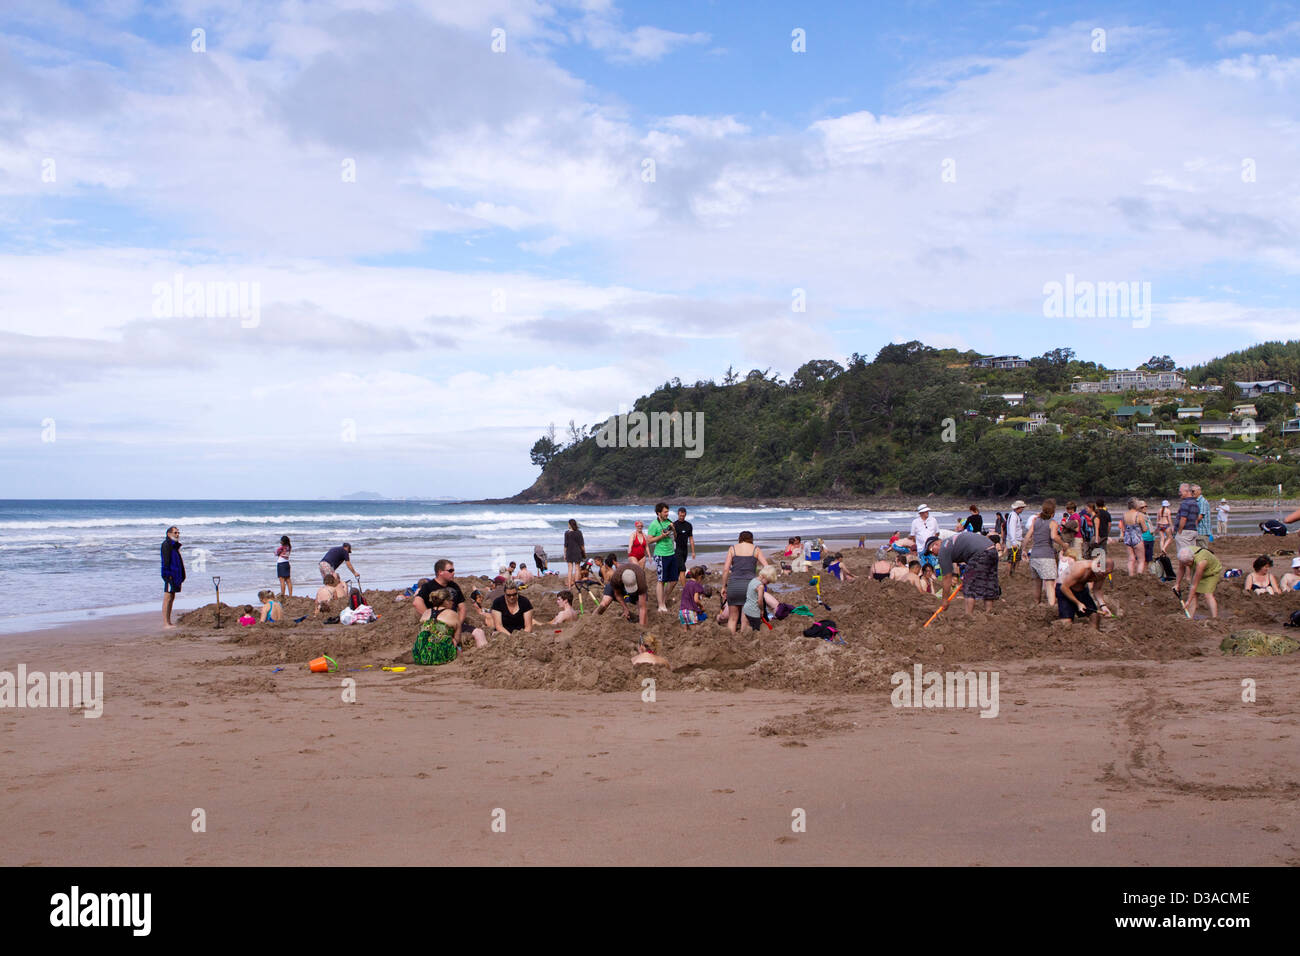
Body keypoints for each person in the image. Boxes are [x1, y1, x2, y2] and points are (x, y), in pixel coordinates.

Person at [414, 559, 487, 648]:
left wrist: (457, 624)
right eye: (450, 570)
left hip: (453, 623)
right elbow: (417, 602)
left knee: (479, 632)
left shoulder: (454, 586)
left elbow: (462, 608)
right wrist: (431, 619)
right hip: (436, 625)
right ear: (440, 572)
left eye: (453, 570)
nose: (453, 573)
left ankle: (482, 655)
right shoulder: (428, 586)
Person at [926, 530, 1000, 614]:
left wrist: (945, 600)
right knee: (988, 583)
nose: (932, 554)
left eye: (931, 550)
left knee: (968, 587)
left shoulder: (943, 549)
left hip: (979, 553)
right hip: (992, 550)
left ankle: (968, 616)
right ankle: (989, 612)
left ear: (937, 543)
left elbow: (947, 577)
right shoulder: (950, 541)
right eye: (930, 553)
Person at [721, 531, 768, 633]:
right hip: (750, 586)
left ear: (740, 538)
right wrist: (761, 580)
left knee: (732, 618)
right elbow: (767, 567)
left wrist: (723, 586)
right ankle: (744, 642)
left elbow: (725, 570)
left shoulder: (732, 548)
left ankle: (730, 640)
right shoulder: (756, 549)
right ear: (751, 539)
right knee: (745, 620)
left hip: (734, 585)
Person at [1056, 556, 1112, 629]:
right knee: (1066, 623)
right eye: (1104, 573)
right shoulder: (1081, 568)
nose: (1105, 576)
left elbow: (1097, 589)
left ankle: (1094, 635)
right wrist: (1078, 603)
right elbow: (1064, 587)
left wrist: (1103, 606)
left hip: (1081, 590)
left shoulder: (1101, 573)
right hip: (1064, 589)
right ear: (1099, 566)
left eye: (1108, 573)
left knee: (1095, 616)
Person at [1024, 499, 1063, 608]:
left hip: (1034, 555)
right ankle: (1051, 606)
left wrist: (1023, 550)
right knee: (1050, 583)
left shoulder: (1035, 521)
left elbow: (1027, 536)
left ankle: (1036, 604)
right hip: (1046, 556)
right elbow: (1054, 537)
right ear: (1053, 512)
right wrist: (1063, 544)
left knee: (1037, 583)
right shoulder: (1052, 523)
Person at [647, 502, 680, 612]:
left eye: (668, 511)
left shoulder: (669, 522)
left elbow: (675, 537)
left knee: (674, 580)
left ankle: (663, 600)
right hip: (661, 554)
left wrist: (673, 529)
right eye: (665, 512)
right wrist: (661, 536)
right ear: (658, 513)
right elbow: (649, 540)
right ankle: (661, 605)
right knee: (661, 580)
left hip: (671, 553)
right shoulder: (654, 525)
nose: (667, 513)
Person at [413, 588, 460, 665]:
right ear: (446, 602)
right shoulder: (452, 614)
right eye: (452, 600)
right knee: (454, 642)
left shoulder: (426, 612)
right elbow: (457, 639)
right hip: (440, 656)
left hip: (419, 656)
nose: (453, 603)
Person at [596, 557, 648, 626]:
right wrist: (625, 608)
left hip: (637, 585)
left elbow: (642, 607)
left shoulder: (641, 579)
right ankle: (593, 618)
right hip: (617, 584)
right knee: (605, 602)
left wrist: (641, 628)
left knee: (641, 605)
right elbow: (617, 594)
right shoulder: (616, 577)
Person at [1183, 538, 1222, 619]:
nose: (1187, 566)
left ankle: (1215, 618)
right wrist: (1177, 584)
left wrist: (1188, 601)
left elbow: (1194, 584)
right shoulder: (1183, 555)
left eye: (1188, 563)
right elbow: (1181, 569)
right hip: (1198, 570)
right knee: (1194, 595)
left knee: (1207, 594)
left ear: (1192, 559)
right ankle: (1189, 618)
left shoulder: (1201, 562)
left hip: (1211, 572)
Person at [1172, 484, 1201, 592]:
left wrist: (1179, 531)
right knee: (1191, 556)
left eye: (1181, 491)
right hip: (1192, 530)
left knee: (1184, 559)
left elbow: (1183, 518)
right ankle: (1190, 580)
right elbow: (1197, 518)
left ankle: (1184, 582)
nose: (1179, 494)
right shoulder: (1195, 503)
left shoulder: (1185, 503)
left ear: (1187, 491)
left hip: (1185, 532)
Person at [160, 525, 185, 629]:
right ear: (168, 534)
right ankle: (166, 623)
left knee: (172, 597)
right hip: (169, 575)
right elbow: (166, 562)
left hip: (175, 575)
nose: (177, 534)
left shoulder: (175, 545)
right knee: (167, 598)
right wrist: (167, 575)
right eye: (175, 533)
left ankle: (169, 622)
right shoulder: (166, 545)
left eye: (178, 532)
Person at [742, 564, 780, 632]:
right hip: (754, 612)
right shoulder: (760, 586)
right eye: (768, 581)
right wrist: (762, 610)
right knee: (756, 630)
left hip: (746, 609)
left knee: (747, 626)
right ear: (764, 576)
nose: (767, 584)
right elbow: (760, 601)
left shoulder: (753, 580)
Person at [1117, 498, 1148, 577]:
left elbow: (1123, 529)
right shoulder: (1139, 515)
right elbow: (1144, 529)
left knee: (1131, 559)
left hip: (1128, 538)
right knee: (1141, 559)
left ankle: (1131, 576)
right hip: (1137, 537)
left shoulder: (1124, 515)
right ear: (1136, 505)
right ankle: (1139, 575)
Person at [673, 507, 696, 587]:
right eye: (680, 516)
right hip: (677, 550)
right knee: (683, 569)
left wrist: (693, 552)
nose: (682, 517)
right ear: (678, 514)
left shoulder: (688, 525)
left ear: (685, 515)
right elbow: (671, 538)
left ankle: (671, 583)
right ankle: (685, 589)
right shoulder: (674, 524)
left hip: (685, 550)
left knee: (678, 570)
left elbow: (691, 539)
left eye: (683, 516)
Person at [1005, 500, 1027, 576]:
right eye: (1022, 508)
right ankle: (1009, 574)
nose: (1023, 509)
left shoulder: (1016, 515)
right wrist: (1013, 542)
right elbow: (1012, 530)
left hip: (1016, 540)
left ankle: (1013, 573)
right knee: (1011, 559)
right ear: (1018, 508)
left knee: (1017, 559)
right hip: (1014, 541)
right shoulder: (1013, 516)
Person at [563, 519, 586, 587]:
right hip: (577, 552)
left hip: (569, 552)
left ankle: (569, 585)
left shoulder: (567, 533)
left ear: (570, 525)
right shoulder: (579, 532)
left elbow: (565, 545)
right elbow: (582, 545)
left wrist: (564, 554)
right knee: (577, 568)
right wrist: (584, 553)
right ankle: (576, 584)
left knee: (570, 569)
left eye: (568, 524)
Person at [276, 535, 293, 599]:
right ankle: (290, 595)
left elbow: (276, 553)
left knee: (282, 580)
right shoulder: (289, 547)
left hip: (281, 563)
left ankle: (282, 595)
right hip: (287, 563)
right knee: (288, 580)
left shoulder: (281, 547)